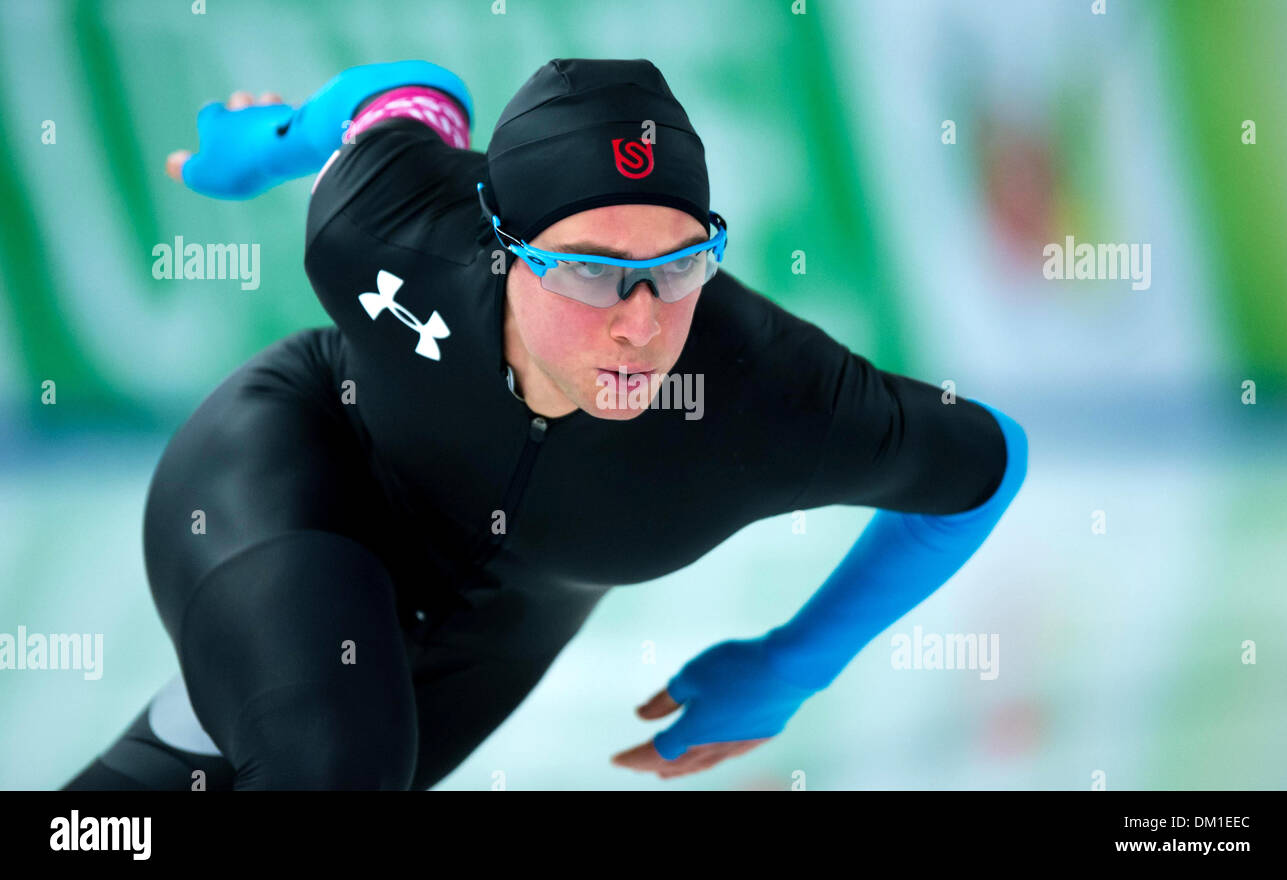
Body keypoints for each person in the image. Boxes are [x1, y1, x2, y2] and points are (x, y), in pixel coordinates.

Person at [61, 58, 1027, 790]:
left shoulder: (768, 391)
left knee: (212, 764)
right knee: (331, 761)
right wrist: (260, 147)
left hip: (488, 636)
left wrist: (791, 664)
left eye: (682, 264)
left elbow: (989, 463)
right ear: (500, 246)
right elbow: (407, 93)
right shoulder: (392, 228)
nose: (642, 322)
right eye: (589, 270)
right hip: (298, 475)